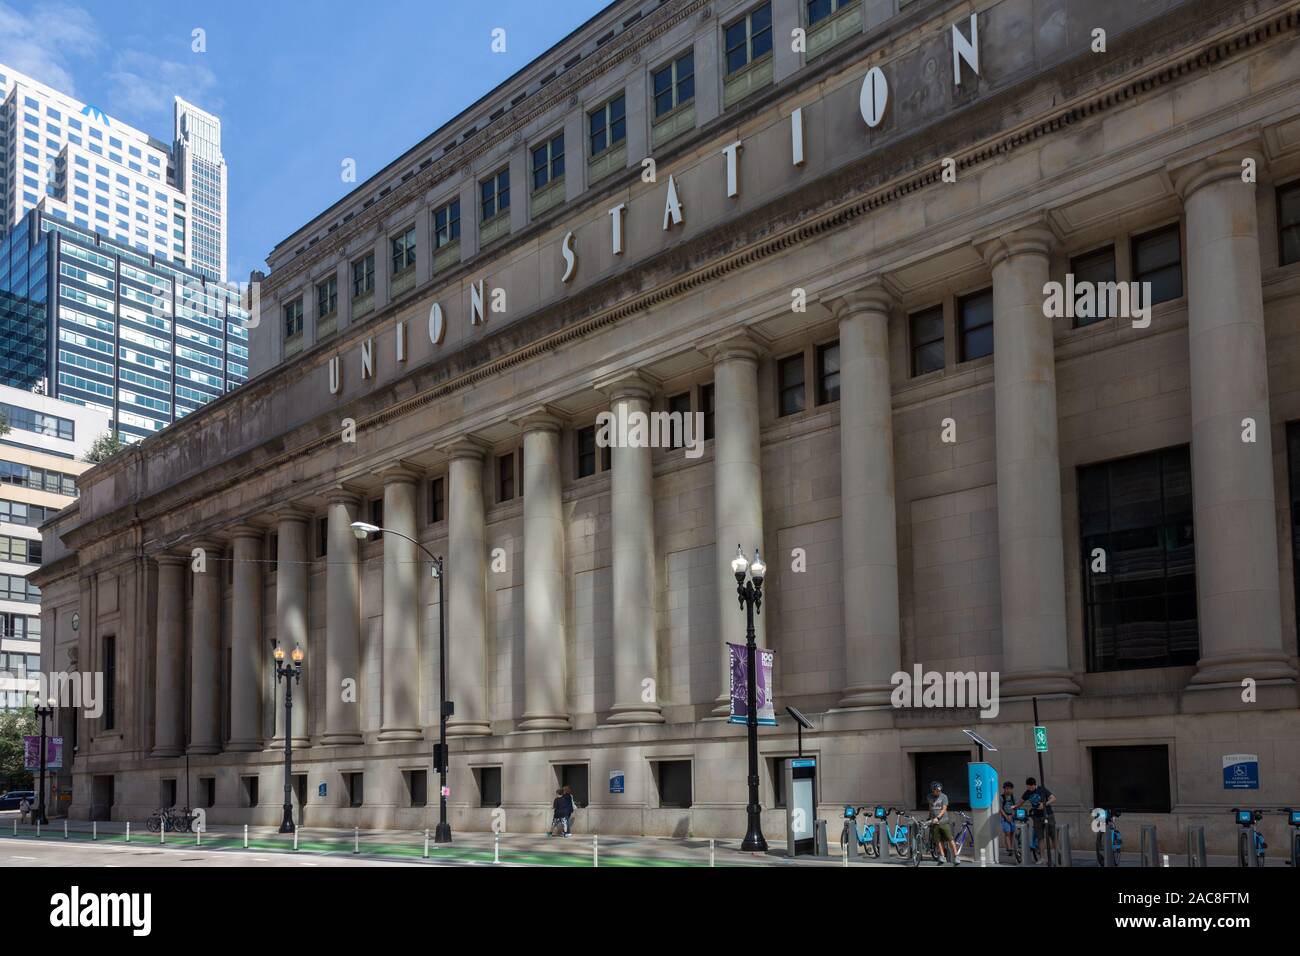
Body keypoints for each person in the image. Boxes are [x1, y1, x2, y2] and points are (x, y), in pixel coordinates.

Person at [1020, 776, 1056, 860]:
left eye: (1031, 788)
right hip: (1037, 817)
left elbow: (1053, 798)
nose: (1029, 789)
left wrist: (1044, 804)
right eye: (1028, 787)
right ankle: (1042, 858)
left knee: (1053, 836)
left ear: (1034, 785)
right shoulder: (1027, 792)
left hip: (1048, 815)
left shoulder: (1042, 789)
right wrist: (1015, 806)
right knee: (1040, 838)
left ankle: (1059, 856)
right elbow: (1021, 801)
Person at [927, 780, 959, 866]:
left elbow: (944, 809)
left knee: (950, 838)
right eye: (936, 790)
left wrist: (938, 818)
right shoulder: (929, 797)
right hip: (934, 822)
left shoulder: (944, 797)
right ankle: (942, 856)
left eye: (939, 790)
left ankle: (956, 856)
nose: (938, 792)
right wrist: (929, 817)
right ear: (932, 790)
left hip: (943, 821)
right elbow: (930, 808)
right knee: (938, 840)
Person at [998, 780, 1018, 858]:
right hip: (1004, 817)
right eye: (1006, 788)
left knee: (1012, 832)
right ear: (1004, 789)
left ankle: (1010, 847)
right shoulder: (1001, 797)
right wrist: (1006, 816)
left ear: (1012, 789)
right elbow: (1000, 808)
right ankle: (1009, 849)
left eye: (1009, 788)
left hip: (1012, 817)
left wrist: (1012, 815)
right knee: (1007, 832)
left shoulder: (1013, 797)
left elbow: (1015, 807)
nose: (1008, 790)